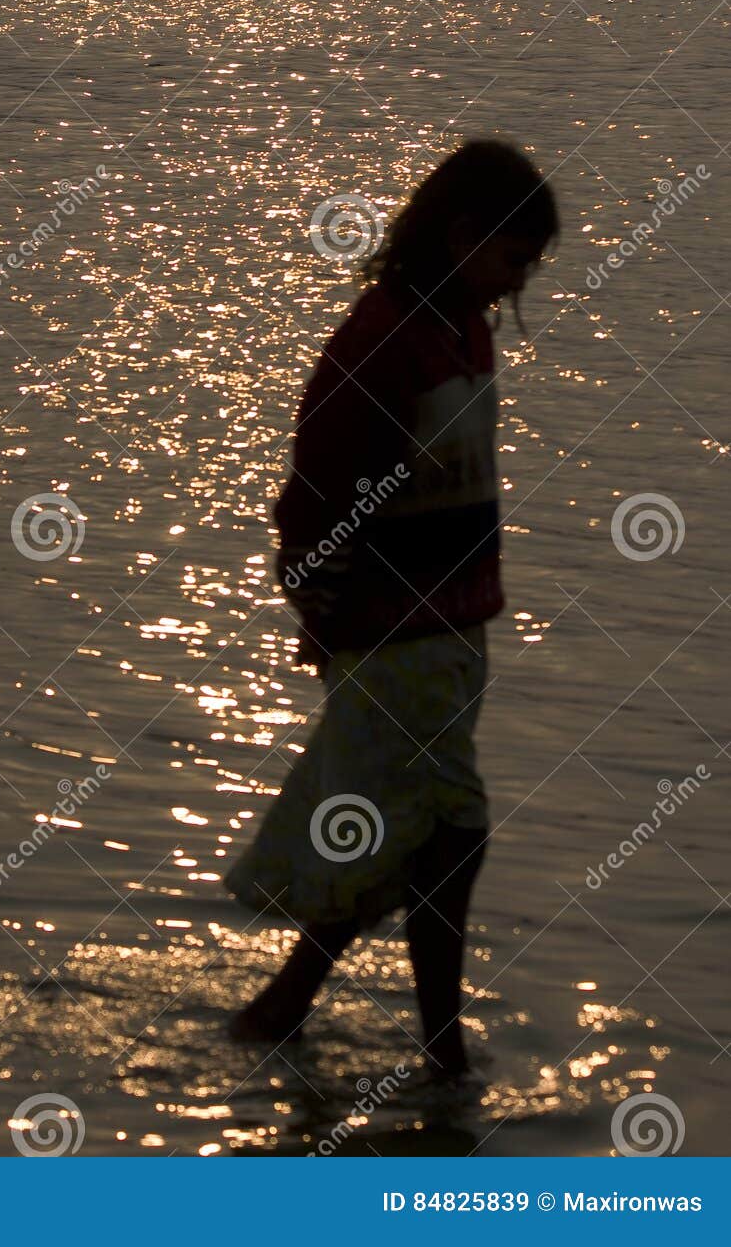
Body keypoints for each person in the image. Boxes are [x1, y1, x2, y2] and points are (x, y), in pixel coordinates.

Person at [225, 140, 559, 1078]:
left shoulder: (462, 330)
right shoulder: (378, 345)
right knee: (449, 829)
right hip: (392, 634)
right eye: (512, 260)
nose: (516, 282)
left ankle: (285, 1009)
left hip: (455, 630)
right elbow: (310, 505)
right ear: (459, 238)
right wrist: (326, 620)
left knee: (404, 829)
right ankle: (440, 1052)